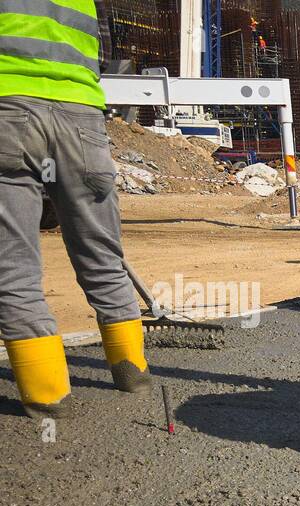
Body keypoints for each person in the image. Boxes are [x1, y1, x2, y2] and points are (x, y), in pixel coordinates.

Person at [0, 0, 151, 418]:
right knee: (102, 254)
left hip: (8, 110)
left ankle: (47, 396)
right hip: (81, 115)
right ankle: (131, 371)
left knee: (13, 266)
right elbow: (100, 53)